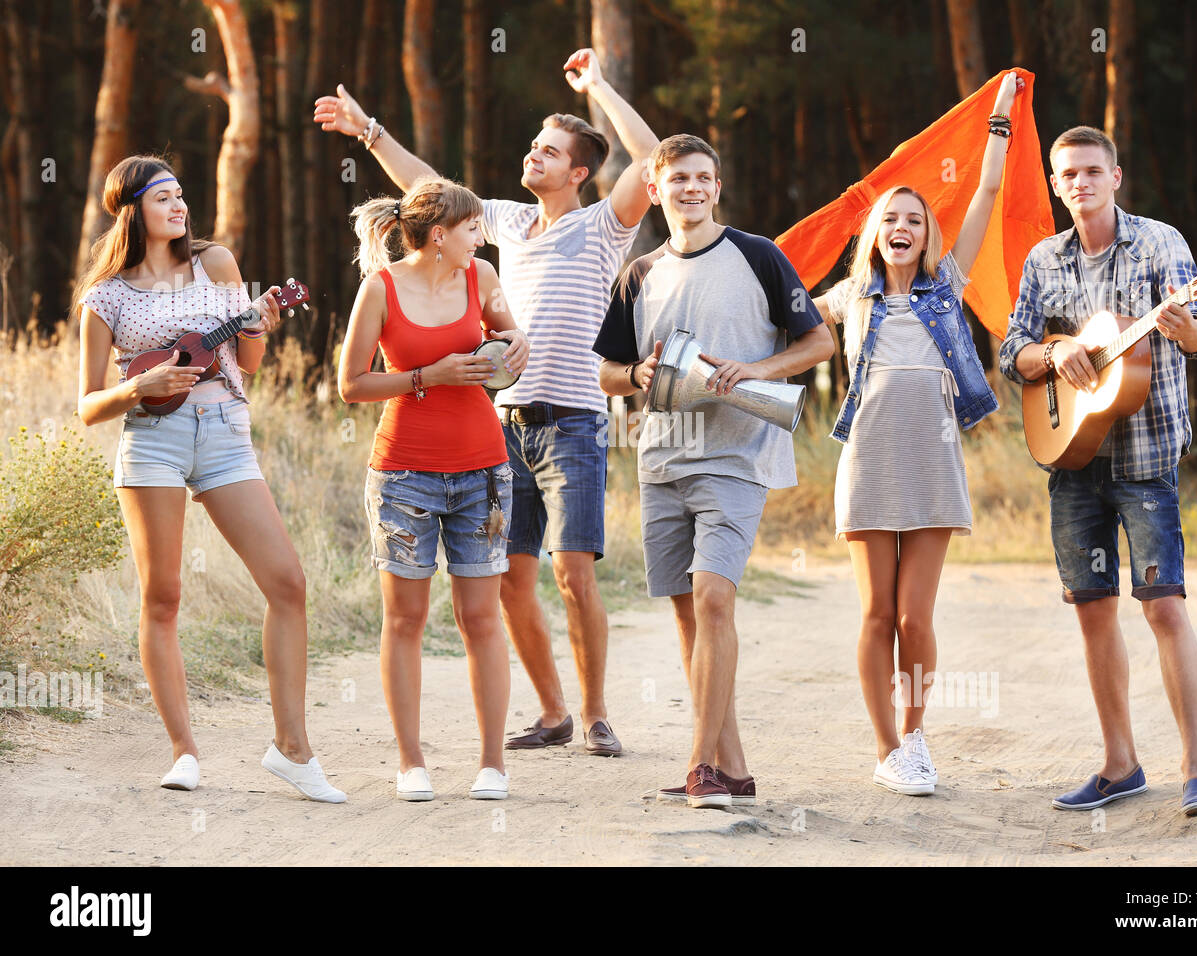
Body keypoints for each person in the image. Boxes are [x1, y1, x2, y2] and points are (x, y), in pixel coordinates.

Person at [316, 49, 658, 756]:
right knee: (508, 582)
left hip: (573, 426)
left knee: (573, 575)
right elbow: (431, 192)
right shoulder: (500, 223)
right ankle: (554, 711)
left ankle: (595, 715)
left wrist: (598, 87)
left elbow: (653, 157)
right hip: (500, 428)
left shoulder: (603, 226)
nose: (534, 157)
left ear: (579, 173)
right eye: (534, 145)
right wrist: (368, 131)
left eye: (551, 151)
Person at [73, 155, 344, 802]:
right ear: (131, 208)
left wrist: (263, 328)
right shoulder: (106, 296)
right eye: (164, 197)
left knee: (287, 582)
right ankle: (184, 751)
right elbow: (86, 405)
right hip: (153, 444)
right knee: (162, 597)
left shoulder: (216, 264)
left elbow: (244, 361)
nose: (180, 206)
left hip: (225, 434)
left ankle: (293, 749)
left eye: (182, 195)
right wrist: (139, 385)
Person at [593, 134, 834, 808]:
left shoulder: (759, 256)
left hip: (738, 455)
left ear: (717, 187)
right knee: (689, 616)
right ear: (658, 187)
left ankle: (699, 765)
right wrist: (637, 373)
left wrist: (756, 369)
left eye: (702, 178)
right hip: (662, 458)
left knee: (715, 598)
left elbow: (820, 340)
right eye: (678, 180)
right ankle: (733, 767)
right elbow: (607, 369)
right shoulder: (638, 274)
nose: (691, 190)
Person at [999, 126, 1197, 816]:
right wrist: (1054, 355)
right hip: (1072, 457)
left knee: (1163, 606)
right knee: (1093, 611)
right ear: (1057, 183)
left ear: (1116, 177)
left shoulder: (1161, 244)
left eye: (1093, 171)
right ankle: (1119, 764)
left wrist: (1185, 325)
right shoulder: (1043, 258)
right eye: (1068, 175)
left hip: (1146, 460)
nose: (1081, 183)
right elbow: (1013, 349)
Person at [809, 72, 1021, 796]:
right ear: (874, 234)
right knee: (874, 612)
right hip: (868, 463)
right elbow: (777, 312)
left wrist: (998, 122)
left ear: (927, 235)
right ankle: (887, 748)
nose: (902, 228)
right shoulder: (845, 298)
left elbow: (988, 195)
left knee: (914, 616)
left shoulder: (946, 284)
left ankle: (918, 734)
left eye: (915, 220)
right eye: (891, 219)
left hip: (932, 463)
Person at [339, 176, 529, 801]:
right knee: (405, 619)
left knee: (480, 619)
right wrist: (428, 375)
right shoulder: (382, 287)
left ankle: (492, 765)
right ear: (440, 235)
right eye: (473, 227)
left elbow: (506, 340)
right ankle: (411, 763)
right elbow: (353, 386)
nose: (482, 235)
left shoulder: (484, 279)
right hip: (402, 474)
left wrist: (515, 345)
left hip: (483, 469)